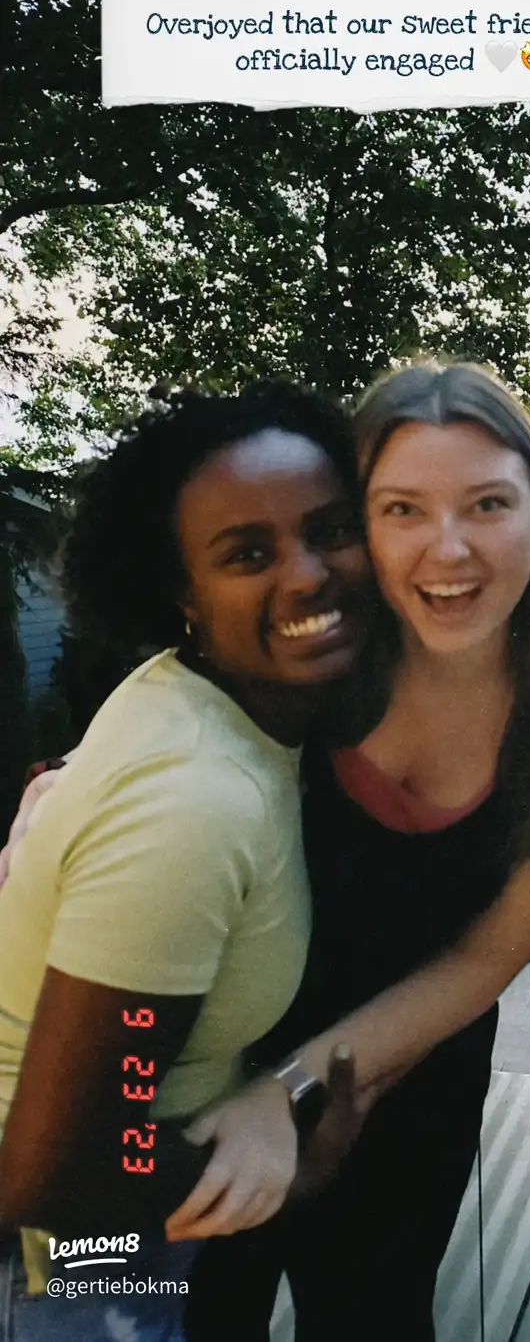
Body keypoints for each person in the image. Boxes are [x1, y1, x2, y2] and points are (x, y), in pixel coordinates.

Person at [4, 361, 530, 1342]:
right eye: (401, 508)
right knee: (195, 1310)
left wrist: (294, 1092)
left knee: (375, 1316)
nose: (450, 549)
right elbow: (186, 725)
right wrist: (68, 789)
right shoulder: (328, 646)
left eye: (488, 504)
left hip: (399, 1082)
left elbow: (487, 955)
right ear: (368, 523)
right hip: (207, 1068)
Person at [0, 382, 375, 1341]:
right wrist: (296, 1163)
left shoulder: (200, 700)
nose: (305, 574)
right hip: (60, 1264)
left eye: (332, 529)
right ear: (182, 594)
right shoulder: (200, 800)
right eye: (247, 553)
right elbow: (58, 1172)